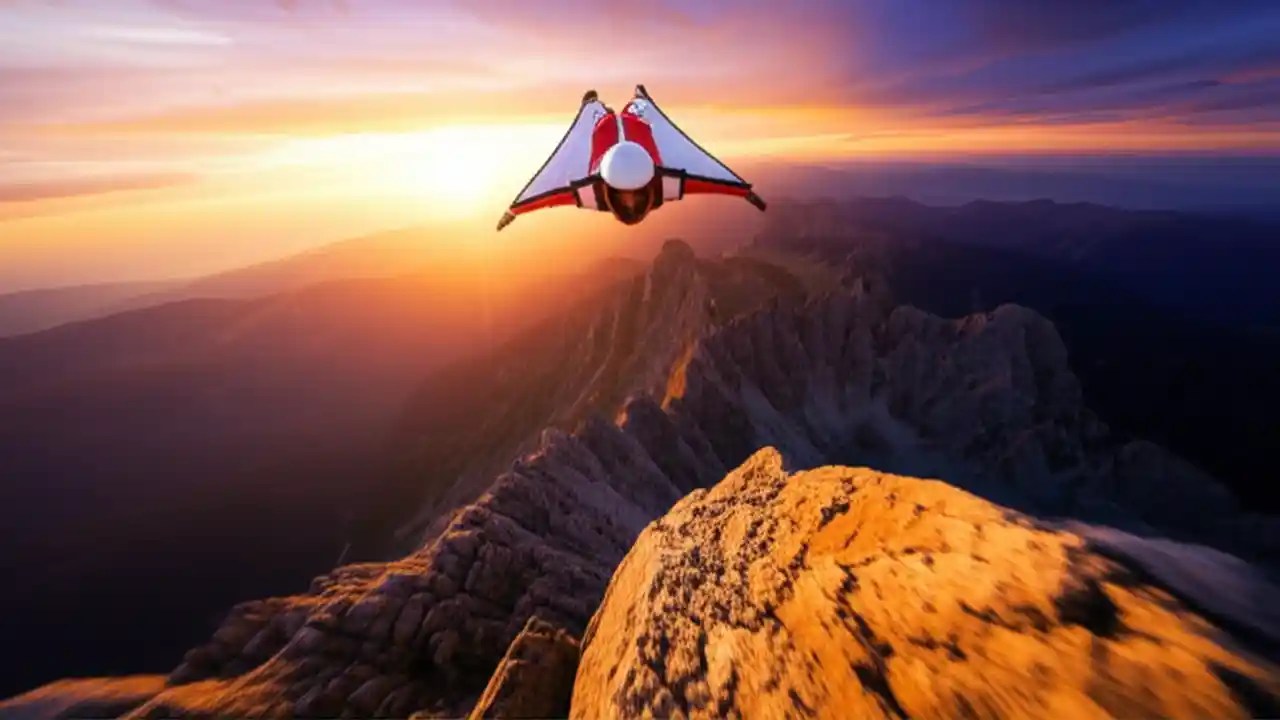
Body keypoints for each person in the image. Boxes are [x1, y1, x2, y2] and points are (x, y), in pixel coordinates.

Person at [498, 85, 765, 231]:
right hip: (623, 127)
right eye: (630, 194)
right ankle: (607, 104)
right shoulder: (667, 185)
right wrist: (742, 192)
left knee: (620, 113)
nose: (629, 199)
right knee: (614, 114)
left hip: (621, 125)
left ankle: (620, 103)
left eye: (631, 194)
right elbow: (711, 181)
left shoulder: (589, 192)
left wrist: (515, 210)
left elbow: (549, 193)